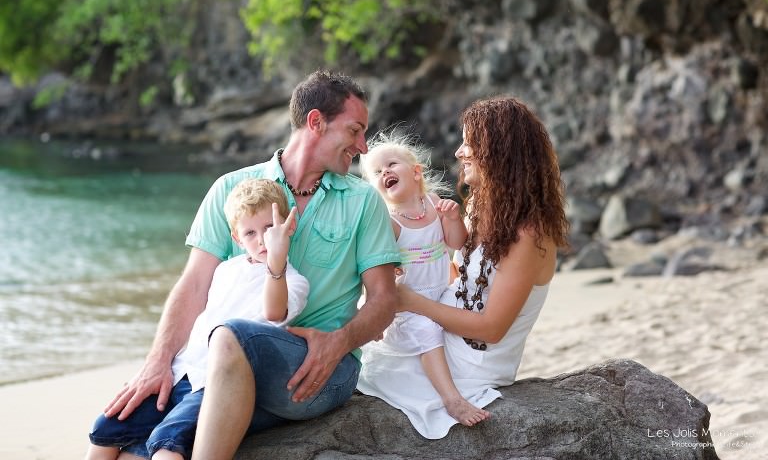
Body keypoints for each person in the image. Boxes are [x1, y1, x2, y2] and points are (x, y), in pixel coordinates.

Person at [97, 70, 401, 460]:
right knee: (126, 442)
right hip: (221, 371)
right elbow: (194, 285)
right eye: (355, 130)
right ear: (315, 122)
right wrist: (156, 364)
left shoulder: (363, 201)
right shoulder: (231, 189)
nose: (363, 146)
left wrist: (339, 342)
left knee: (229, 336)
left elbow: (384, 300)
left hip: (318, 372)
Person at [357, 96, 569, 439]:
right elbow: (460, 275)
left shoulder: (530, 234)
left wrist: (412, 302)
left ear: (498, 152)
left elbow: (491, 328)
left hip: (474, 360)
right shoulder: (479, 208)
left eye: (469, 144)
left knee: (365, 365)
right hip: (443, 326)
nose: (458, 152)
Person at [87, 178, 309, 458]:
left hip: (213, 384)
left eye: (269, 228)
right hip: (182, 371)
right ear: (237, 239)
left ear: (289, 226)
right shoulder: (225, 270)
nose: (262, 239)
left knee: (165, 443)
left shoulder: (293, 281)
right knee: (105, 428)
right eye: (250, 233)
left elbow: (274, 312)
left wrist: (276, 261)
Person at [357, 131, 490, 427]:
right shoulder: (389, 225)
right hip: (405, 308)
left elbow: (456, 243)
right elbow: (373, 275)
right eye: (377, 172)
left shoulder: (433, 204)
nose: (385, 172)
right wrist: (373, 315)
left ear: (416, 171)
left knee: (465, 310)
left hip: (440, 294)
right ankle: (452, 399)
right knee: (429, 328)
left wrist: (453, 218)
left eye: (391, 164)